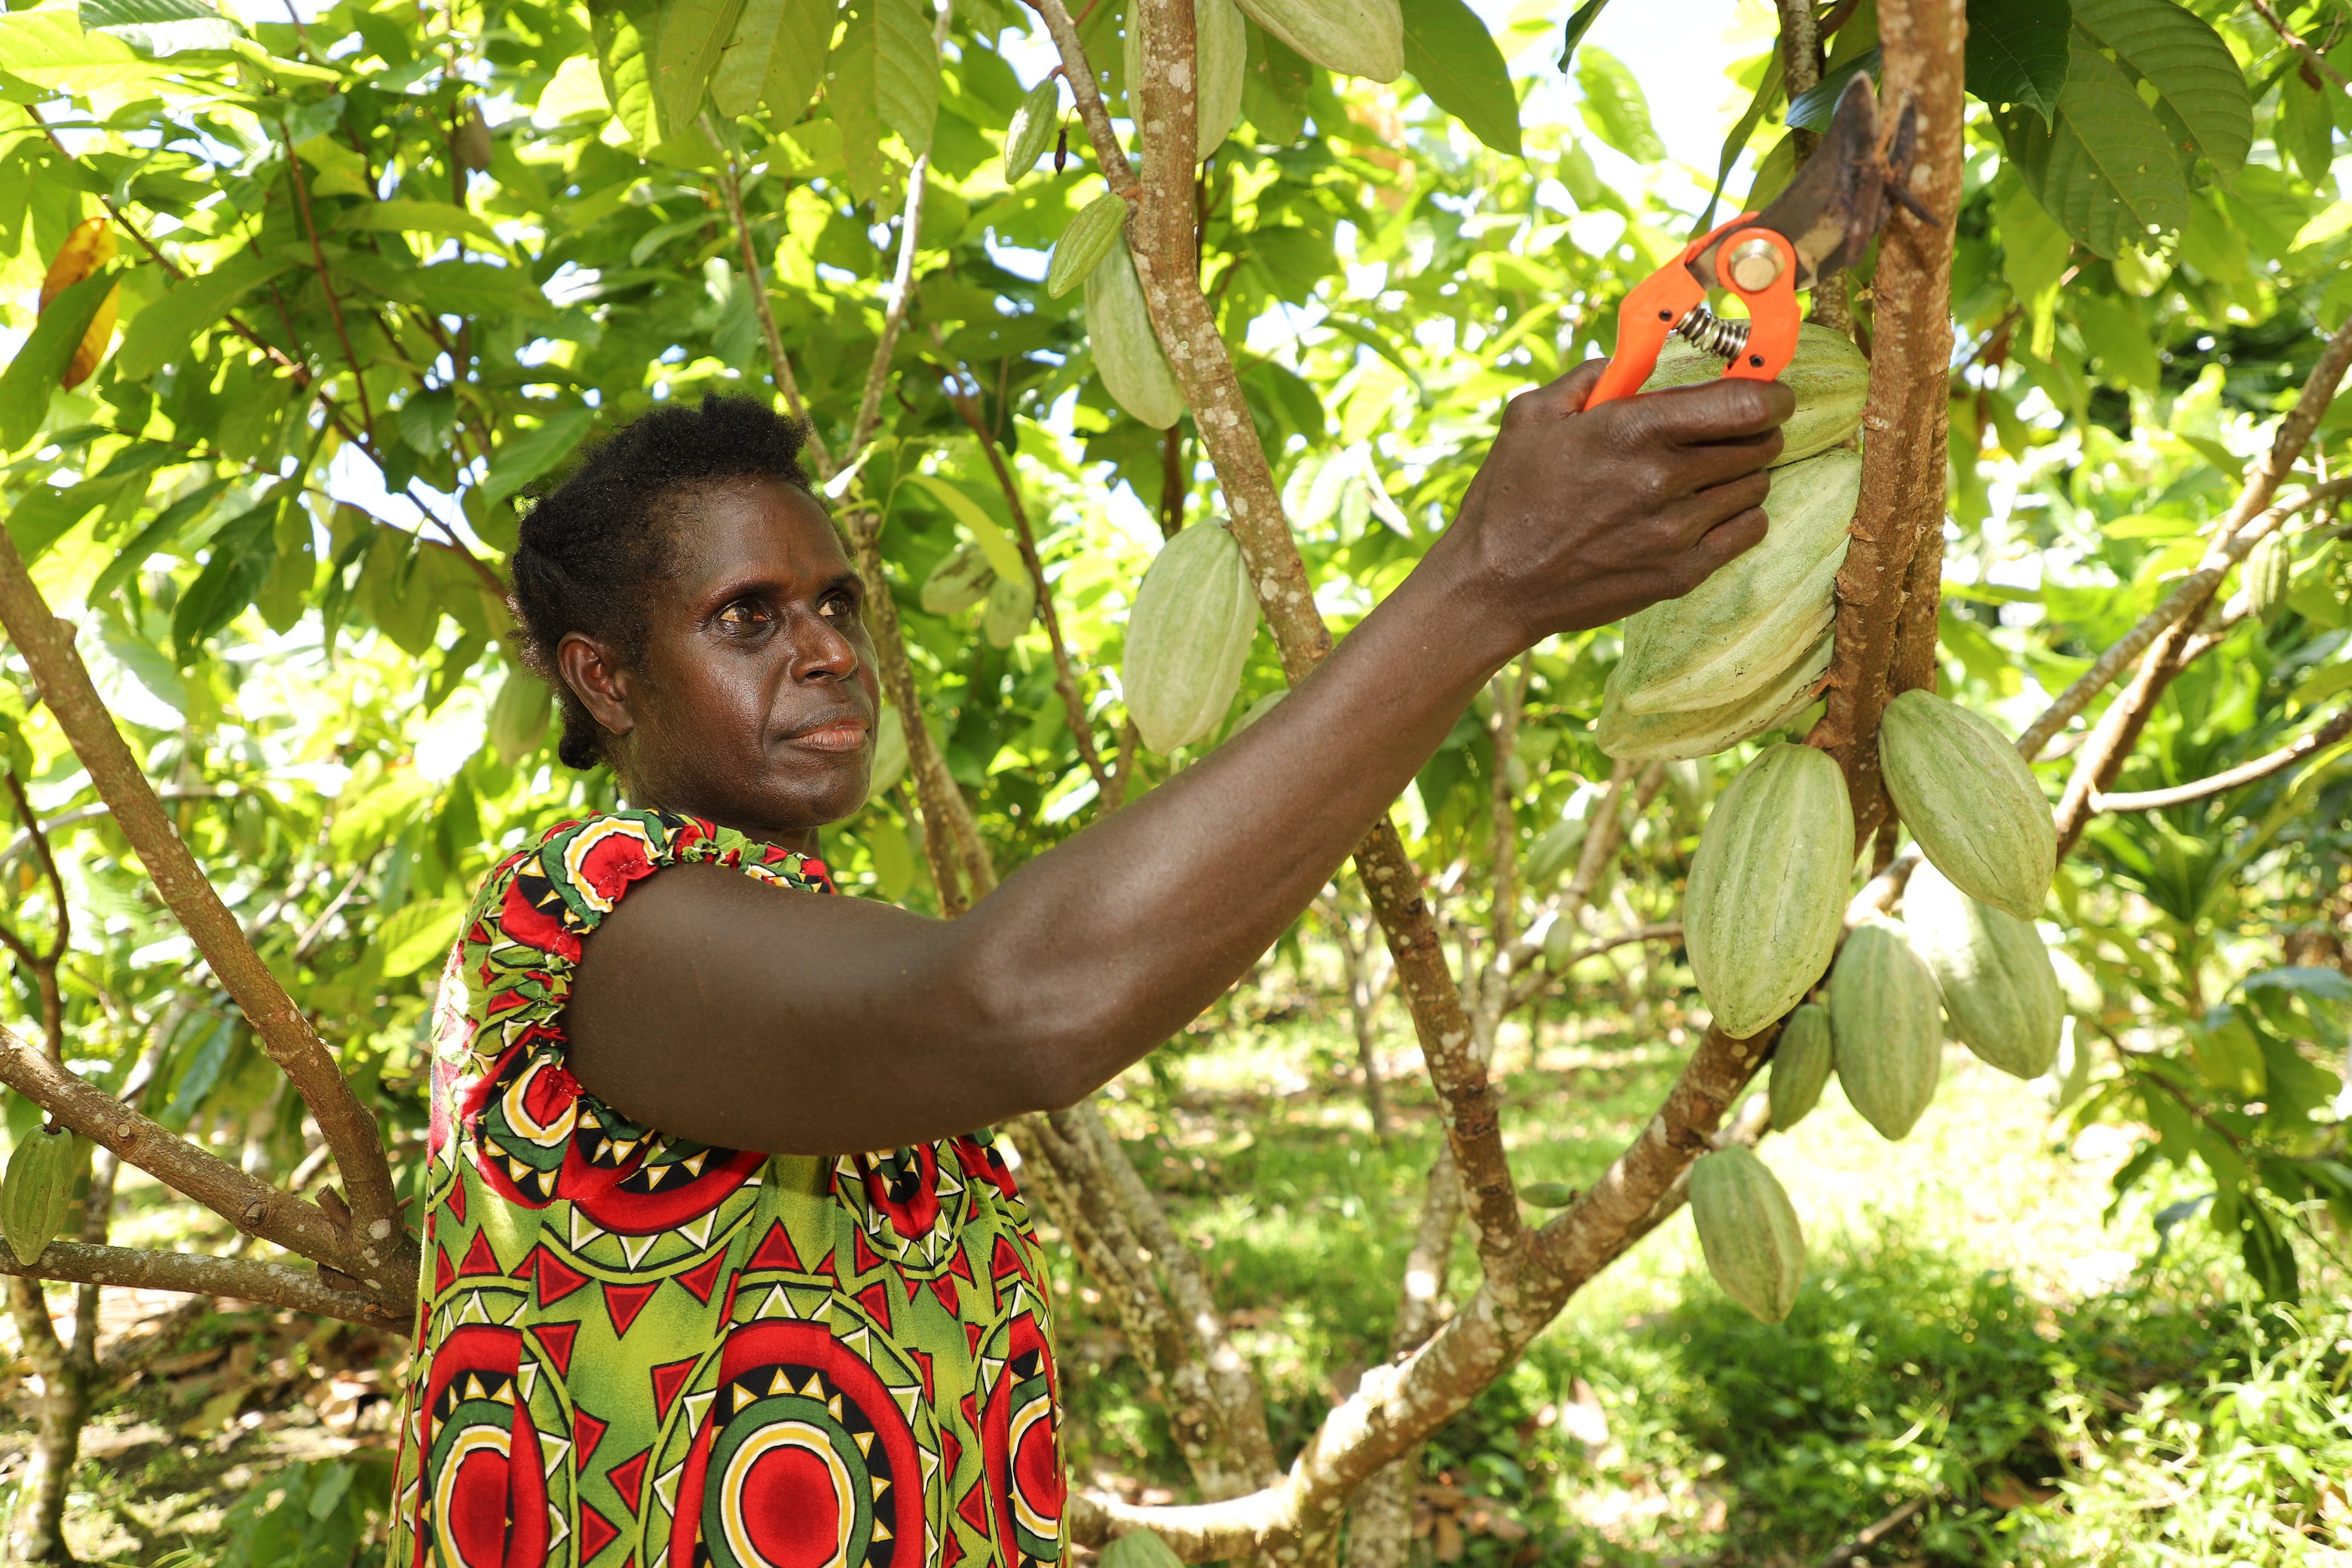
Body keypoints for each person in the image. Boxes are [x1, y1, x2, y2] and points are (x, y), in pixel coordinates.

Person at [387, 364, 1790, 1567]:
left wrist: (1767, 275)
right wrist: (1486, 587)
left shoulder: (782, 923)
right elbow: (1020, 1004)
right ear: (607, 680)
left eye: (837, 604)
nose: (825, 652)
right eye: (747, 617)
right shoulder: (583, 917)